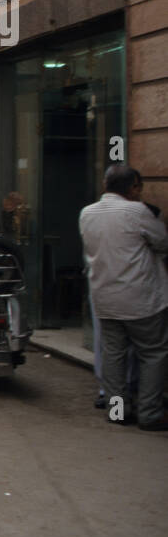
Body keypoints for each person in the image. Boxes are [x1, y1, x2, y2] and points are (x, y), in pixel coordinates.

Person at [79, 164, 168, 431]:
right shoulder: (137, 210)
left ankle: (117, 411)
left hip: (104, 297)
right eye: (139, 187)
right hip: (140, 299)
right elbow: (162, 242)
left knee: (114, 355)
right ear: (133, 188)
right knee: (153, 353)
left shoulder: (87, 213)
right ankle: (150, 414)